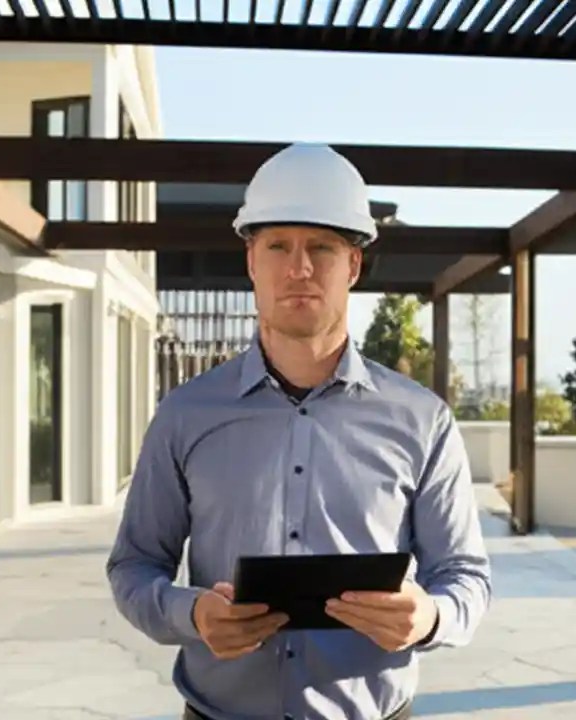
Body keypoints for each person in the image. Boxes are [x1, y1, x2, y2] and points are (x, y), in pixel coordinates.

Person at [105, 143, 491, 720]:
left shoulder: (421, 419)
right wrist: (191, 614)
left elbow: (465, 576)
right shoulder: (186, 415)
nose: (300, 268)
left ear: (354, 265)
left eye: (322, 247)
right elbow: (134, 566)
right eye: (278, 246)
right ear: (251, 261)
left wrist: (430, 617)